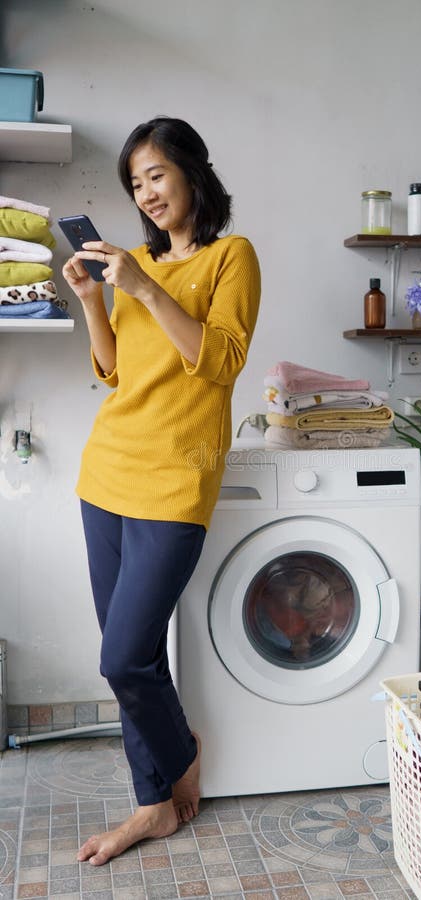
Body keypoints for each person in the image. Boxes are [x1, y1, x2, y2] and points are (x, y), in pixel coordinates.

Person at [62, 116, 261, 866]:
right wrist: (92, 297)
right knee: (136, 653)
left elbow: (219, 362)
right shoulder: (129, 266)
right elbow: (115, 372)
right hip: (105, 473)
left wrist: (144, 286)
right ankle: (154, 807)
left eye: (156, 176)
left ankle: (179, 755)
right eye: (135, 182)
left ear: (191, 174)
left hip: (176, 480)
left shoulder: (230, 258)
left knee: (122, 660)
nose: (145, 193)